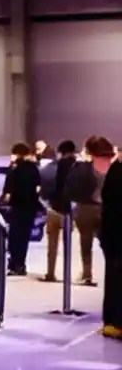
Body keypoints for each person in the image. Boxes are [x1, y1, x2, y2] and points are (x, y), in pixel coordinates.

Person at [69, 136, 114, 286]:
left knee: (85, 243)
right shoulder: (113, 167)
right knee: (110, 244)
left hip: (86, 208)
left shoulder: (82, 167)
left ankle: (87, 274)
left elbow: (73, 188)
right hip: (107, 209)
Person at [40, 140, 79, 282]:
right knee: (73, 245)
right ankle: (75, 275)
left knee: (52, 245)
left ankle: (51, 273)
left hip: (55, 208)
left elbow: (44, 187)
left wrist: (47, 202)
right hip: (73, 211)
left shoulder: (52, 167)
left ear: (60, 152)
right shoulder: (79, 167)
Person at [1, 142, 41, 276]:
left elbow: (9, 187)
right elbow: (37, 186)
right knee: (23, 238)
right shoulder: (33, 168)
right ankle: (20, 264)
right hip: (29, 207)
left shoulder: (15, 168)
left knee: (14, 237)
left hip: (17, 206)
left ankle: (14, 263)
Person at [100, 139, 122, 338]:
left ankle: (113, 322)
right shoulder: (117, 173)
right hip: (116, 237)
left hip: (113, 235)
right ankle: (114, 322)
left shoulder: (115, 171)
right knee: (115, 279)